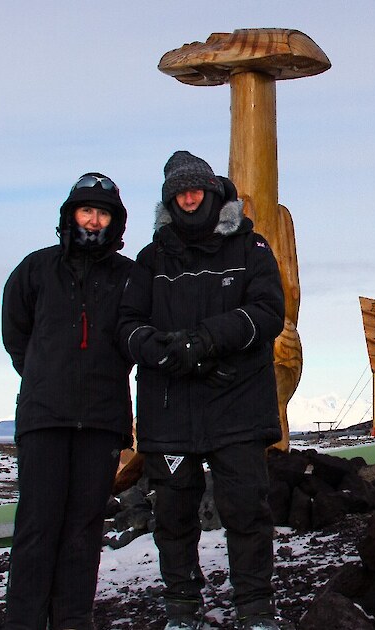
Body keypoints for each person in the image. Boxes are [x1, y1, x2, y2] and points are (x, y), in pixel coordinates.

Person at [119, 151, 284, 630]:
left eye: (196, 191)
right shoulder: (151, 260)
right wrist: (163, 350)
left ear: (213, 193)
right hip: (169, 411)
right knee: (172, 515)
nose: (189, 199)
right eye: (179, 194)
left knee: (247, 511)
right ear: (170, 202)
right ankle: (182, 608)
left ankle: (255, 608)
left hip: (238, 405)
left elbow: (268, 313)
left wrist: (207, 340)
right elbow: (128, 326)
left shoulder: (251, 249)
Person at [1, 172, 134, 629]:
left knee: (83, 530)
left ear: (114, 221)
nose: (93, 221)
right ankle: (23, 621)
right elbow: (16, 335)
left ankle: (74, 620)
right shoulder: (36, 269)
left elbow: (138, 338)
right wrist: (46, 376)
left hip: (102, 420)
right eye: (86, 210)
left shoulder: (128, 276)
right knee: (37, 528)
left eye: (102, 213)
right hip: (44, 418)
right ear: (70, 214)